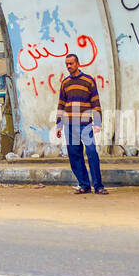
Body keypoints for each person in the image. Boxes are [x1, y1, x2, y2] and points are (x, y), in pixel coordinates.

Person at [55, 53, 107, 195]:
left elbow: (95, 102)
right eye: (67, 64)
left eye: (71, 63)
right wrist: (59, 124)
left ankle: (98, 186)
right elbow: (61, 104)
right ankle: (84, 185)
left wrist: (97, 123)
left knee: (91, 153)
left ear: (78, 64)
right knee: (74, 155)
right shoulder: (65, 83)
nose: (68, 66)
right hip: (69, 125)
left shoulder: (88, 81)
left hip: (85, 125)